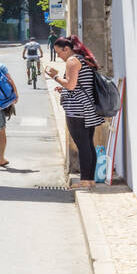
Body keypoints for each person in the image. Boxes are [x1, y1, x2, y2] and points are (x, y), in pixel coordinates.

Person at [45, 35, 104, 190]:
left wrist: (55, 77)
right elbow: (77, 85)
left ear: (67, 48)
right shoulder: (84, 60)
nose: (58, 56)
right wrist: (63, 87)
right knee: (88, 144)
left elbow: (71, 85)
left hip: (77, 110)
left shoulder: (72, 61)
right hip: (87, 108)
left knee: (83, 145)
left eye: (59, 52)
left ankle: (85, 181)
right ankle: (89, 180)